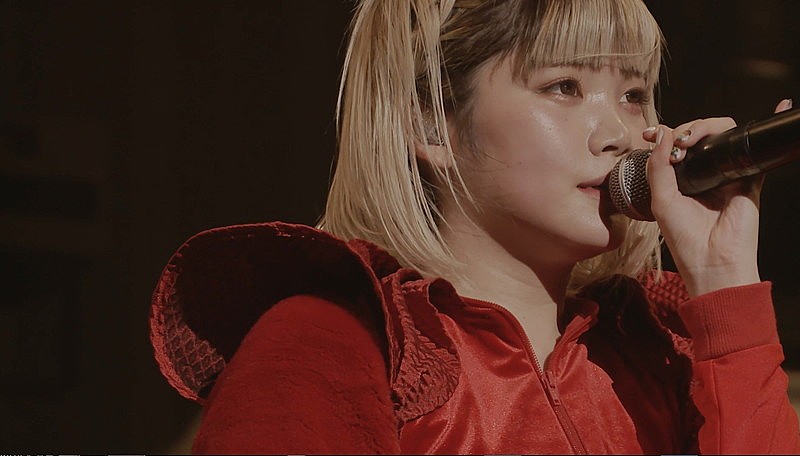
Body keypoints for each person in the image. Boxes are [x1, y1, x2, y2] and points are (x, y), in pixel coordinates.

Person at [149, 0, 800, 453]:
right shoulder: (336, 339)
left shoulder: (662, 348)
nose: (619, 133)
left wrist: (723, 285)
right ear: (431, 122)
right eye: (564, 86)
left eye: (633, 95)